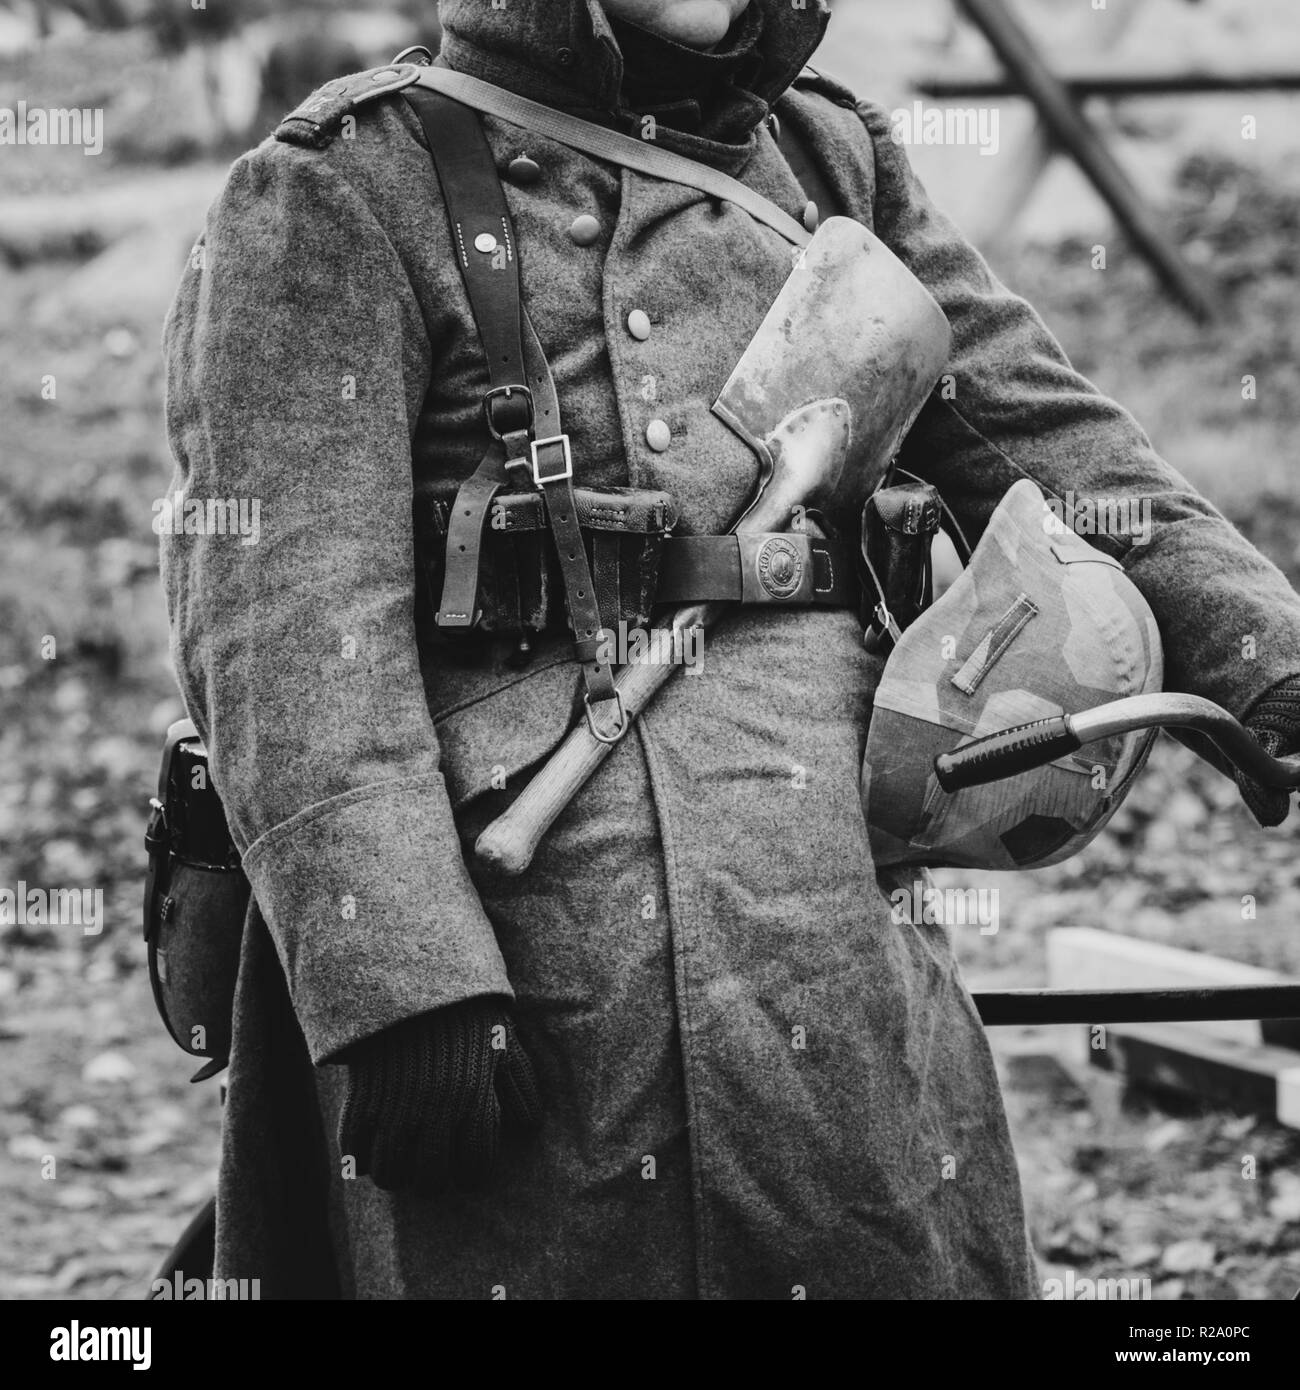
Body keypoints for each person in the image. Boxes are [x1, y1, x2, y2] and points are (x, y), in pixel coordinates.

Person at [160, 0, 1300, 1299]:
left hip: (834, 921)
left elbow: (1041, 438)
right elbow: (287, 628)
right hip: (538, 967)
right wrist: (403, 980)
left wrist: (1269, 660)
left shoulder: (824, 157)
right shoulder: (346, 182)